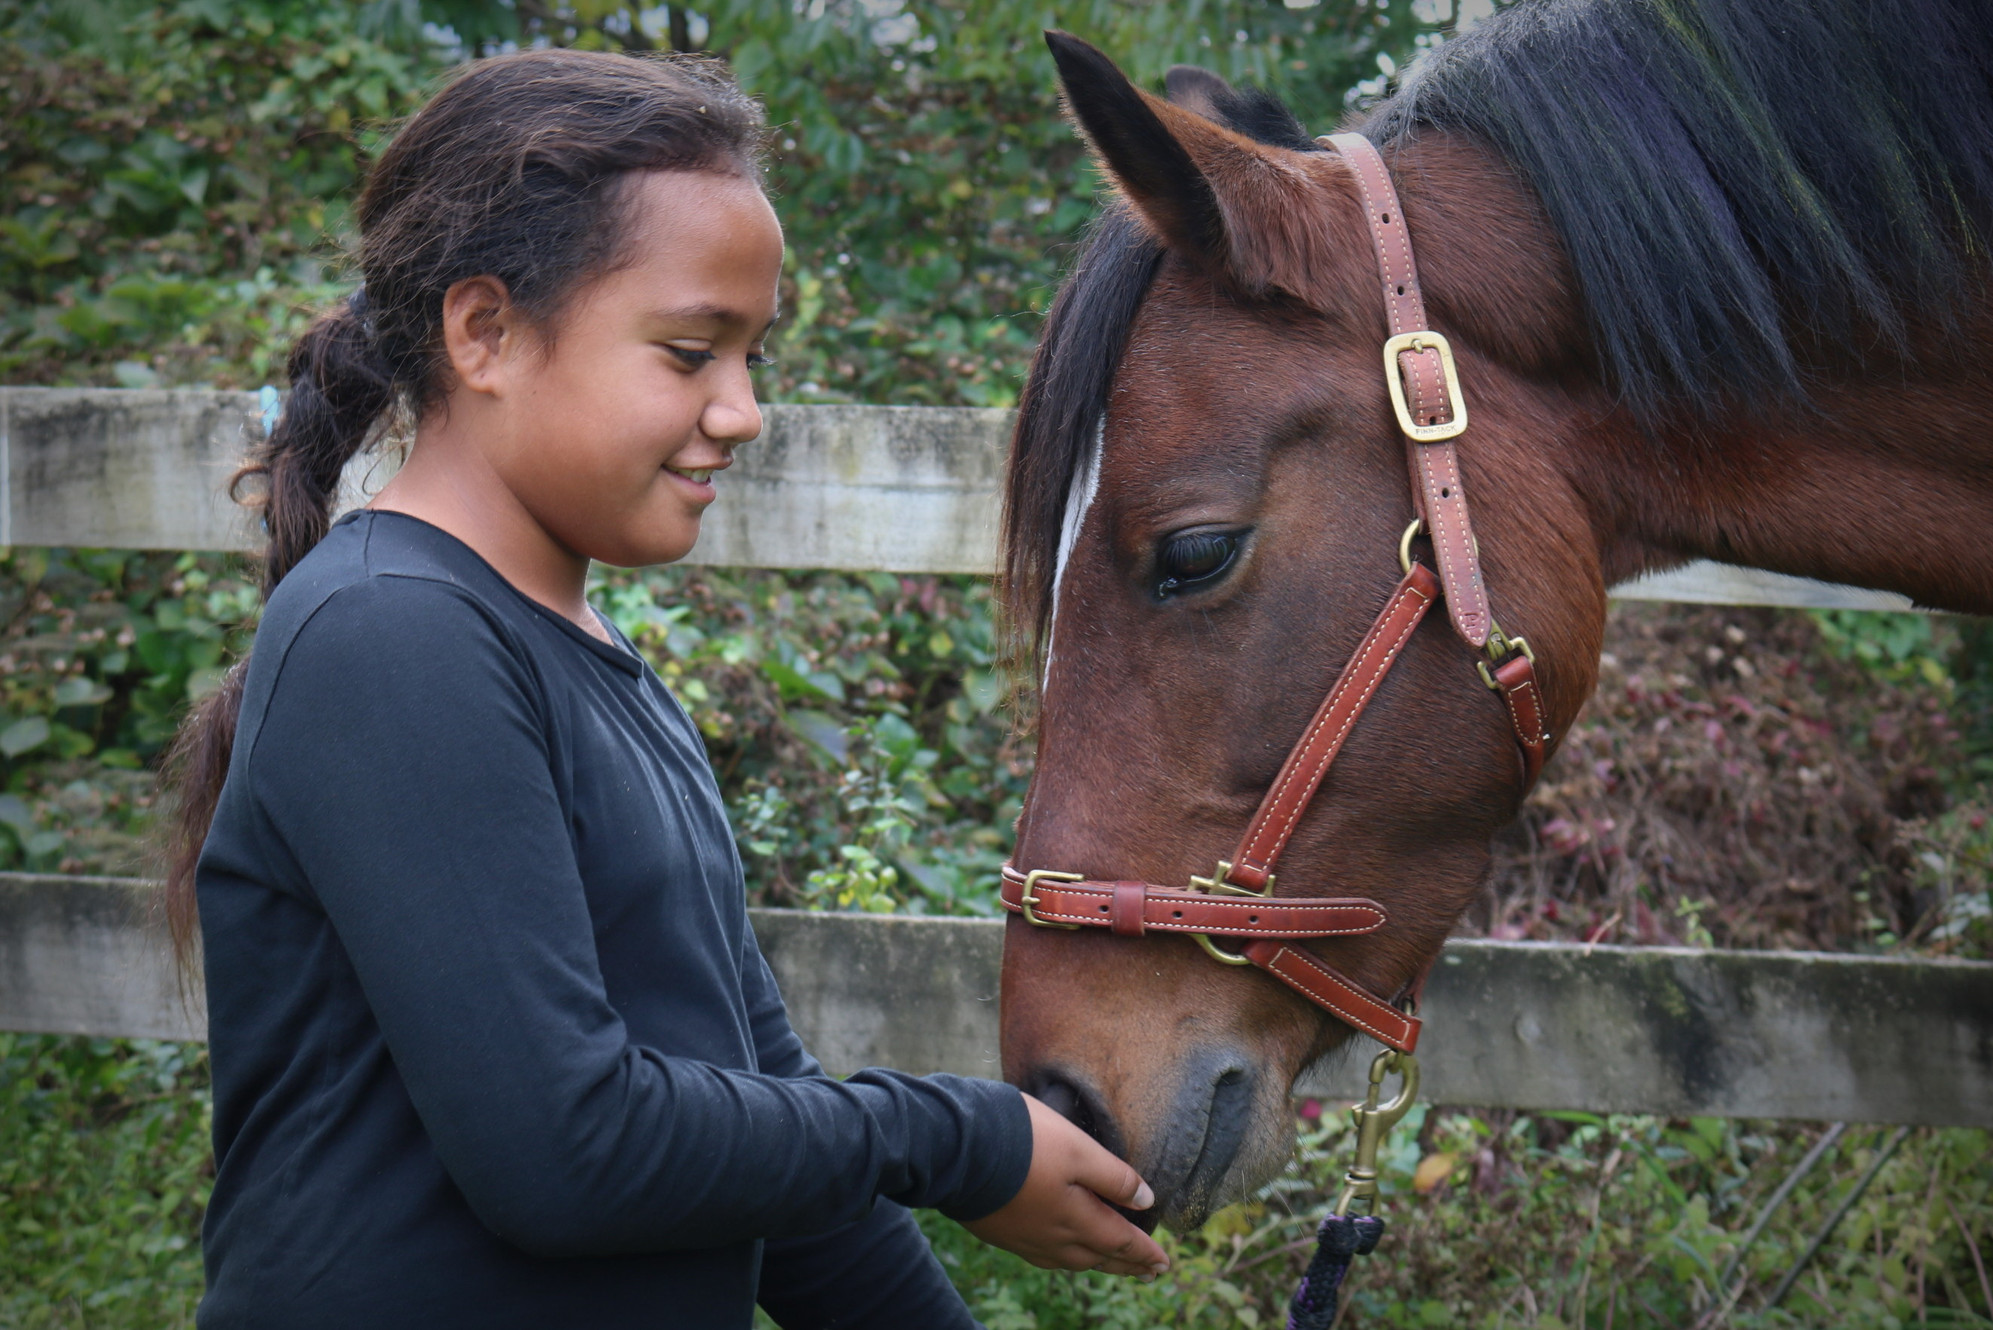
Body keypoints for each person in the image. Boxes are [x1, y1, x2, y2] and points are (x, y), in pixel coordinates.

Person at [163, 48, 1168, 1330]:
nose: (742, 410)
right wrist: (956, 1137)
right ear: (484, 332)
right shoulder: (389, 637)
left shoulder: (592, 665)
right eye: (690, 350)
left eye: (750, 354)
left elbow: (769, 1140)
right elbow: (564, 1151)